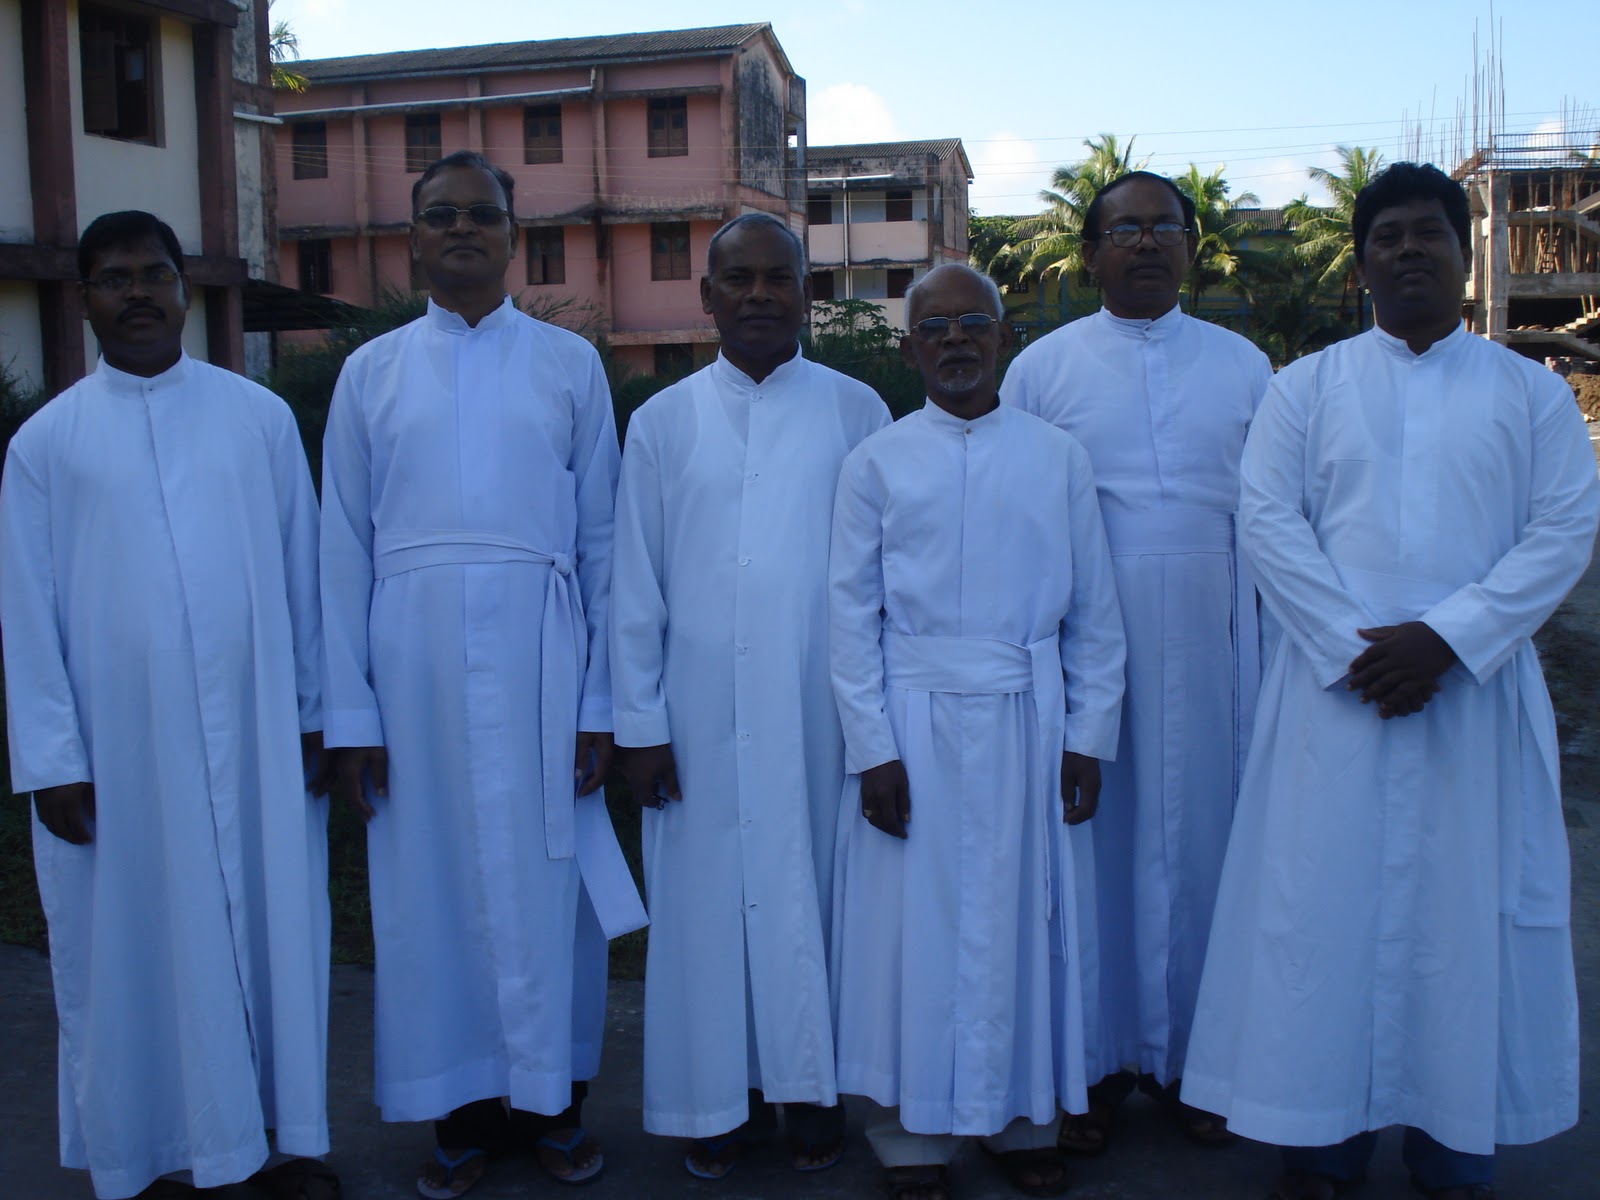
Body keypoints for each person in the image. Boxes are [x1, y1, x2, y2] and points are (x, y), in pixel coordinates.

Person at [1180, 162, 1599, 1200]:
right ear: (1360, 262)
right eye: (1387, 237)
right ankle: (1318, 1142)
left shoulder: (1530, 392)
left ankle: (1452, 1141)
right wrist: (1353, 649)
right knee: (1319, 919)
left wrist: (1450, 640)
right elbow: (1266, 521)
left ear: (1465, 255)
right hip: (1335, 706)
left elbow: (1563, 530)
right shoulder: (1305, 388)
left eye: (1429, 234)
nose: (1408, 250)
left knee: (1463, 926)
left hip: (1473, 702)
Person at [319, 150, 644, 1199]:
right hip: (408, 671)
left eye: (481, 214)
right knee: (431, 885)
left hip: (545, 659)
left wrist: (600, 704)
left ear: (514, 234)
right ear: (413, 237)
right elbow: (339, 552)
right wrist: (350, 714)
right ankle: (457, 1112)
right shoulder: (369, 374)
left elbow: (602, 540)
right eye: (439, 214)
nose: (460, 228)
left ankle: (551, 1109)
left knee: (550, 892)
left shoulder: (566, 364)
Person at [0, 210, 335, 1200]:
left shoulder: (257, 419)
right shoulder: (46, 444)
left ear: (187, 289)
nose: (137, 293)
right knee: (133, 950)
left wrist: (317, 713)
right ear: (86, 297)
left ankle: (271, 1149)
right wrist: (51, 757)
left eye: (155, 274)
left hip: (260, 733)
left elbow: (301, 576)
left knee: (271, 939)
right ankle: (148, 1151)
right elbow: (24, 610)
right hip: (118, 756)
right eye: (114, 278)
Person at [828, 264, 1127, 1200]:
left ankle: (1022, 1115)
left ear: (1004, 339)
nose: (956, 340)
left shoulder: (1057, 456)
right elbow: (848, 618)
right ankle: (911, 1135)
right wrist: (872, 748)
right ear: (909, 347)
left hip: (1028, 721)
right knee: (911, 928)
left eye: (974, 324)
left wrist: (1090, 735)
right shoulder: (876, 461)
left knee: (1022, 920)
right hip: (911, 721)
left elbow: (1096, 614)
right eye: (935, 327)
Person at [610, 212, 890, 1178]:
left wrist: (877, 727)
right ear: (708, 297)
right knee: (703, 911)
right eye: (742, 279)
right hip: (691, 717)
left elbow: (881, 580)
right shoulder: (660, 421)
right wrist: (639, 727)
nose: (762, 294)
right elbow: (633, 586)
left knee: (812, 897)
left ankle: (808, 1093)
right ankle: (711, 1104)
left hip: (819, 710)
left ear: (808, 293)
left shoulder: (857, 411)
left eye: (781, 278)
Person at [1001, 170, 1273, 1151]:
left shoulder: (1246, 368)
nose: (1147, 242)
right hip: (1089, 652)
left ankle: (1207, 1066)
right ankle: (1097, 1062)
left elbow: (1273, 520)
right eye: (1125, 228)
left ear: (1193, 247)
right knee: (1094, 858)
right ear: (1089, 254)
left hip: (1215, 646)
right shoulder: (1039, 369)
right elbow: (1022, 517)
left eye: (1166, 226)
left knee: (1211, 849)